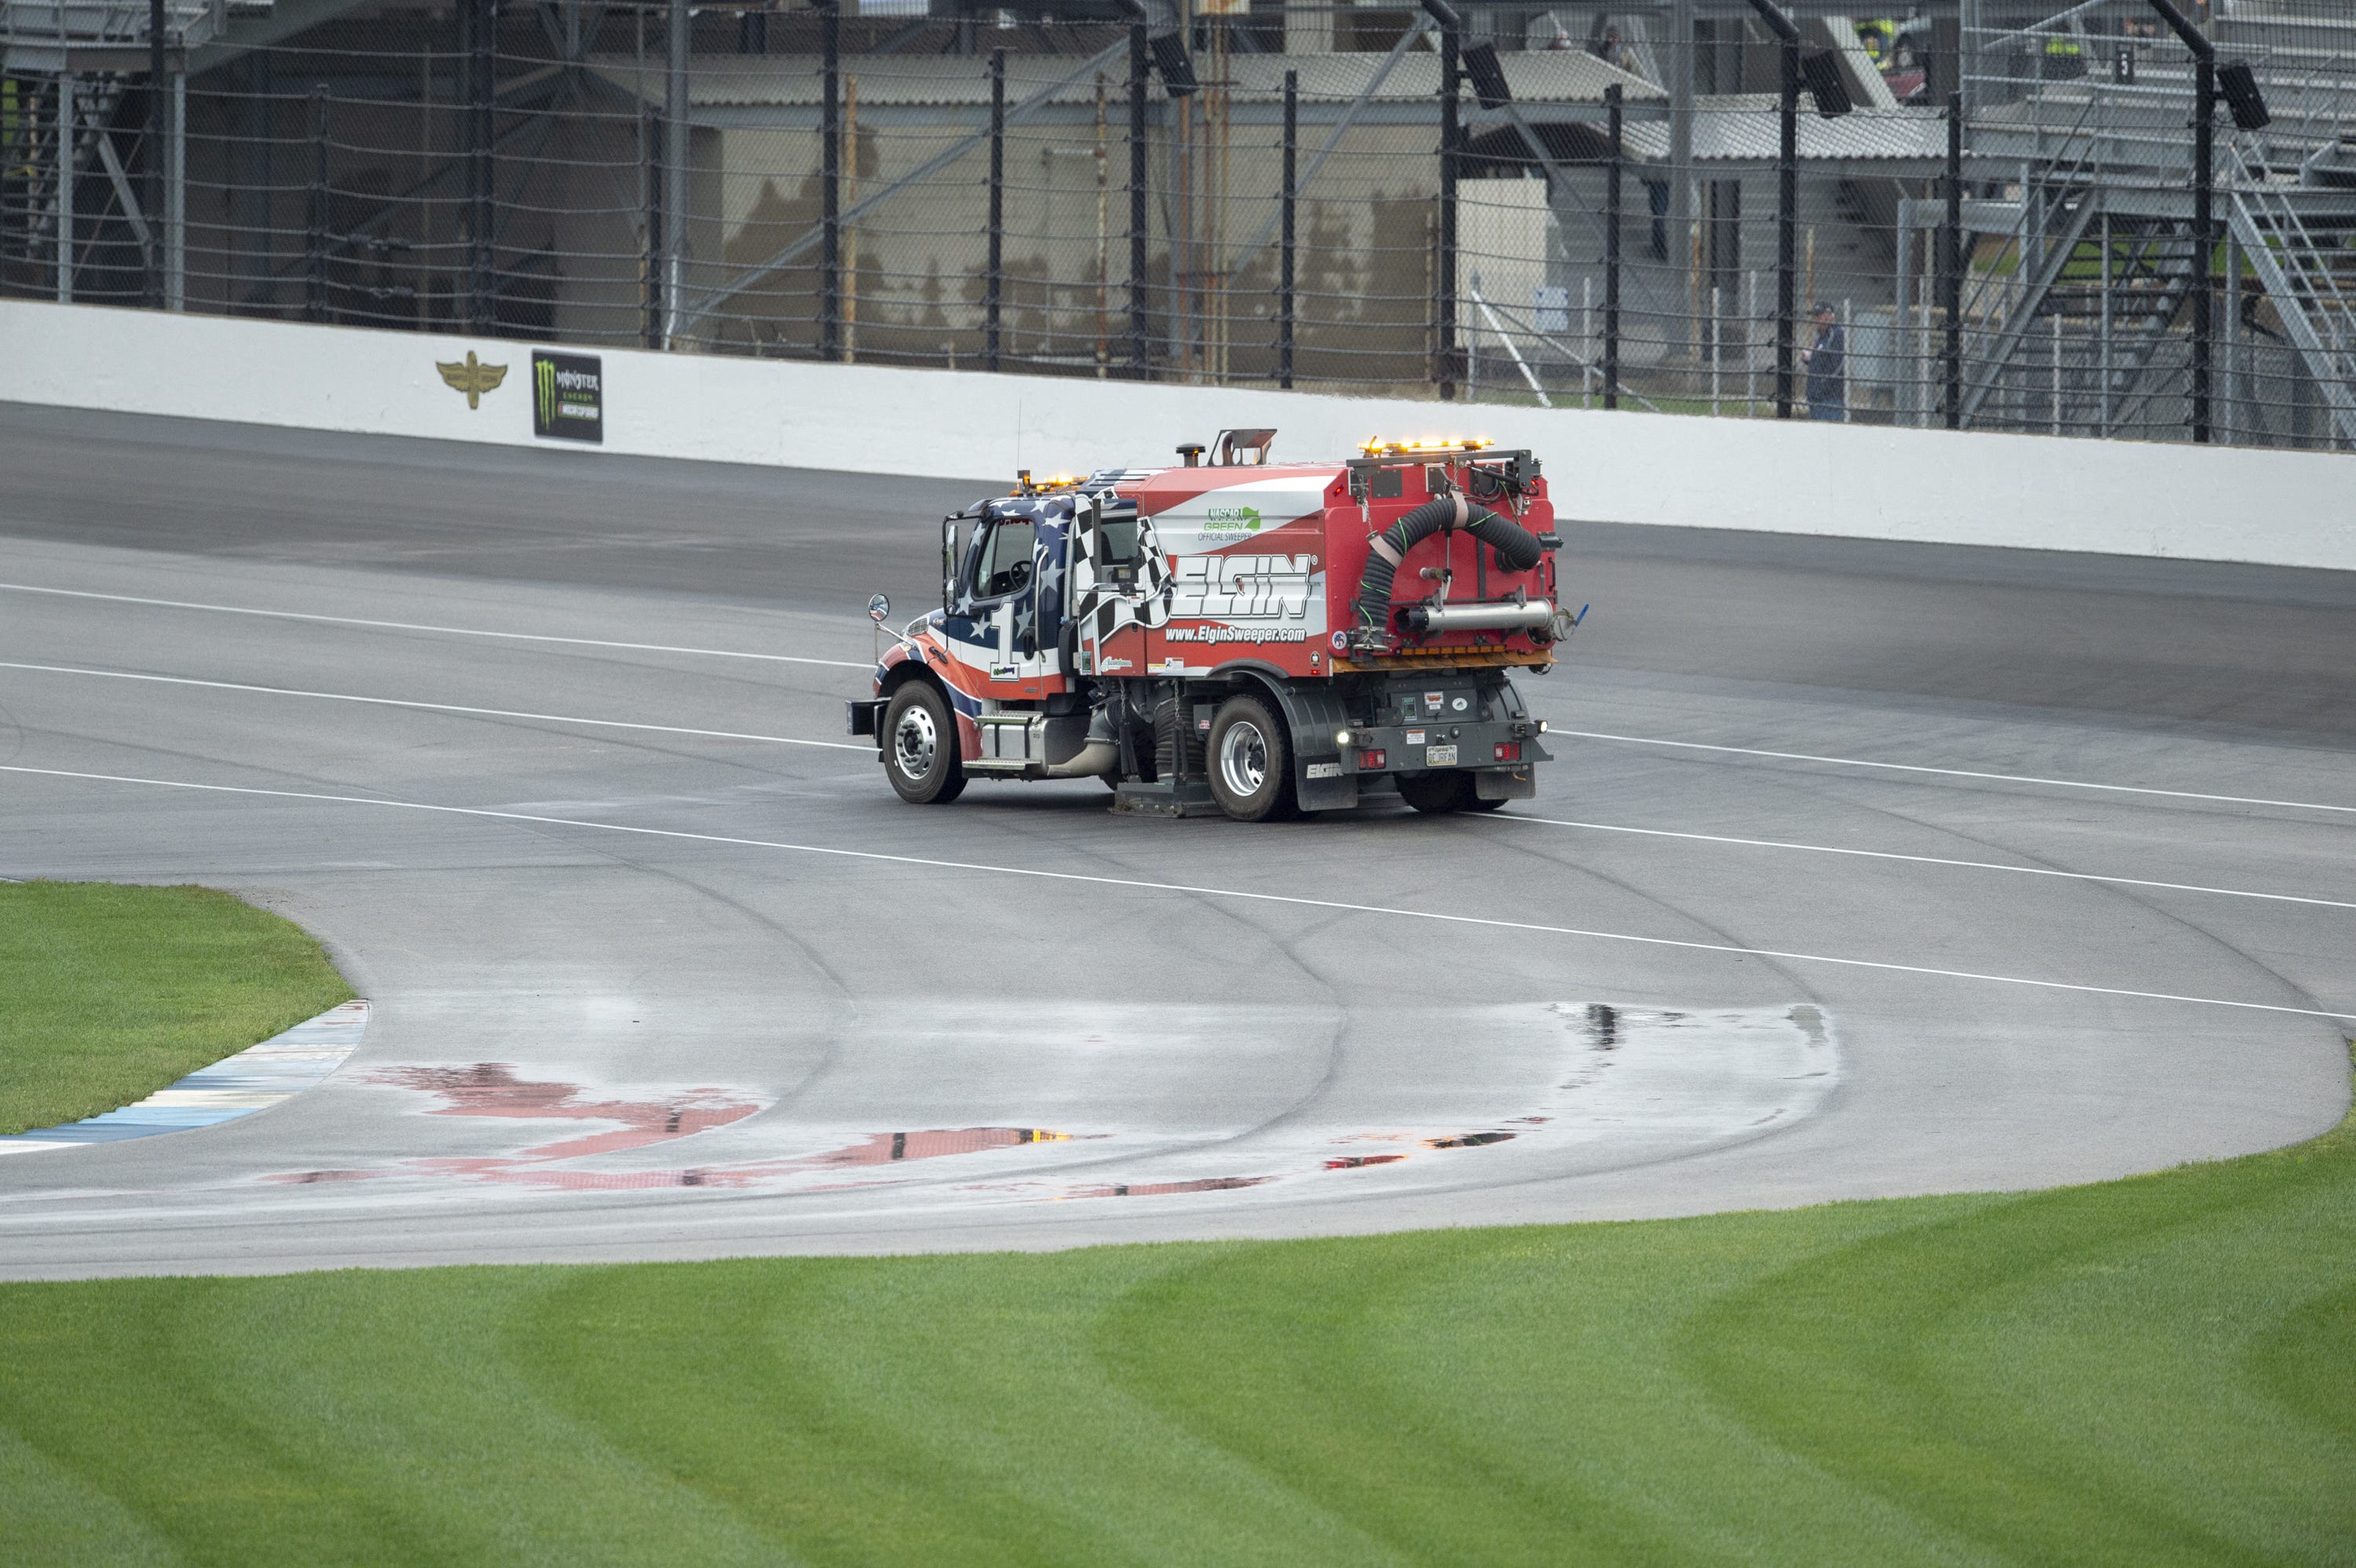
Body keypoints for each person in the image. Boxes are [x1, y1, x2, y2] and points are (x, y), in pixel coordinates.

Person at [1801, 302, 1846, 422]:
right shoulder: (1821, 336)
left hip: (1830, 397)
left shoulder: (1836, 334)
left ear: (1829, 316)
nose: (1816, 320)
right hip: (1815, 396)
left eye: (1819, 316)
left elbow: (1837, 365)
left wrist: (1823, 384)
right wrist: (1809, 358)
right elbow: (1821, 358)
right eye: (1816, 317)